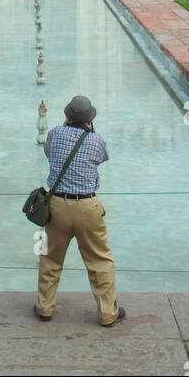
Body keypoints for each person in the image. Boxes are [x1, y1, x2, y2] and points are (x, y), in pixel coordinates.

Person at [35, 95, 124, 327]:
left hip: (57, 206)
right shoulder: (96, 141)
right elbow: (101, 158)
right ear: (89, 120)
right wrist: (90, 132)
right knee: (99, 261)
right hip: (87, 206)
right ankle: (107, 312)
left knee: (50, 258)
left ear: (67, 117)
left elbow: (49, 153)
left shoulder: (54, 134)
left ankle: (45, 307)